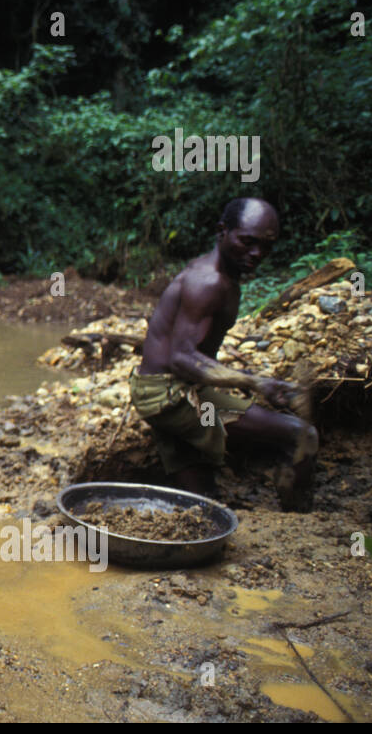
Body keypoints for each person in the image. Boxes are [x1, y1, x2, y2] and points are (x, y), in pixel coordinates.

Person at [130, 197, 319, 510]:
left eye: (266, 246)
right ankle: (299, 523)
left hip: (163, 388)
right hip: (170, 396)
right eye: (247, 242)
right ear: (222, 231)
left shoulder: (220, 275)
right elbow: (181, 358)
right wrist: (255, 382)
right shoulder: (210, 282)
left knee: (203, 508)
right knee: (303, 436)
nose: (256, 254)